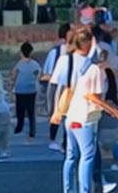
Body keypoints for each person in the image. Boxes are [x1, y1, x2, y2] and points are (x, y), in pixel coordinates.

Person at [61, 27, 118, 193]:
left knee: (71, 156)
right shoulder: (97, 71)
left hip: (72, 117)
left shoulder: (85, 67)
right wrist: (112, 110)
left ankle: (68, 189)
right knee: (87, 157)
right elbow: (92, 96)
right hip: (85, 118)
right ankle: (84, 190)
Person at [43, 23, 73, 151]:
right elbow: (48, 74)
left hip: (73, 87)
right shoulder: (56, 53)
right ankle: (54, 138)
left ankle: (66, 141)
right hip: (60, 86)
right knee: (57, 113)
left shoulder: (82, 53)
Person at [14, 42, 41, 140]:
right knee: (31, 112)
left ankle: (19, 127)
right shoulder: (35, 64)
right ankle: (32, 131)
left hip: (20, 90)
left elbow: (14, 75)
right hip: (31, 90)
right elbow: (38, 75)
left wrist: (11, 88)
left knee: (20, 110)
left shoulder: (19, 64)